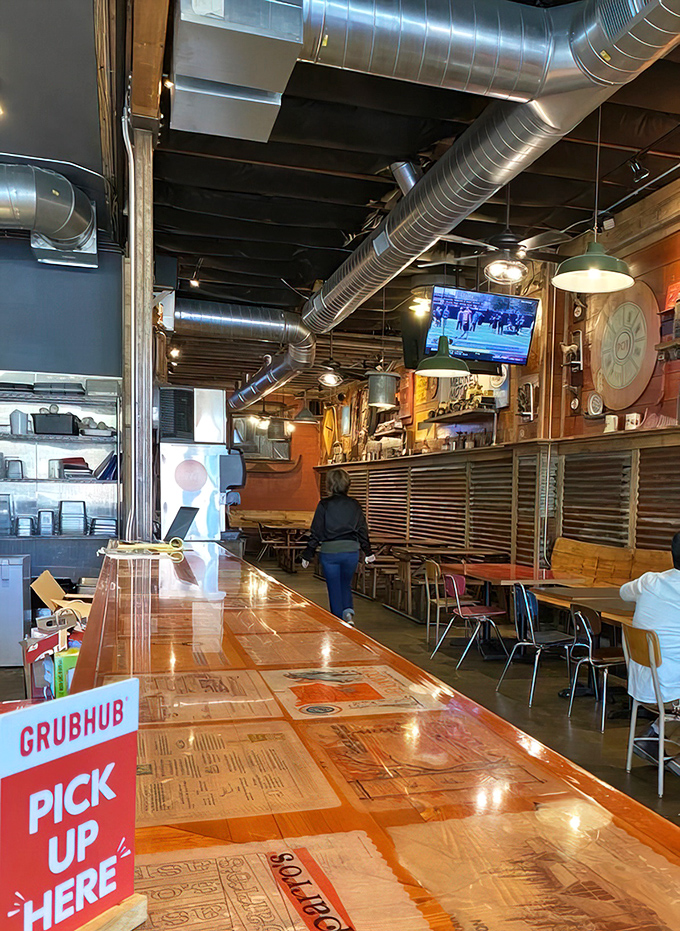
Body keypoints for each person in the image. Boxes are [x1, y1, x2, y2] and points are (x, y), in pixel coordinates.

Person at [301, 468, 375, 624]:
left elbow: (317, 531)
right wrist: (368, 552)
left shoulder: (324, 505)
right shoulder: (355, 505)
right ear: (347, 484)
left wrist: (308, 553)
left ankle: (338, 622)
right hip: (351, 552)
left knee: (334, 586)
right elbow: (362, 529)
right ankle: (348, 611)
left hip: (330, 552)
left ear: (330, 485)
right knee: (345, 583)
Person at [619, 533, 680, 712]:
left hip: (642, 687)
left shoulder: (649, 581)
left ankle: (658, 730)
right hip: (672, 693)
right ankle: (663, 731)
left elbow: (624, 593)